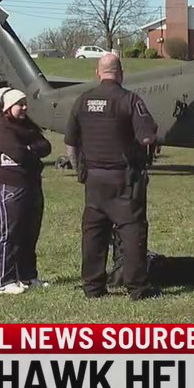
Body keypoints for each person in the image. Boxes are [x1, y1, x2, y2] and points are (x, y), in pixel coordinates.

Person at [65, 54, 161, 301]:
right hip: (124, 179)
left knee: (93, 232)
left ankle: (93, 287)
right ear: (121, 72)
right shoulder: (129, 100)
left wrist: (81, 172)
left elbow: (70, 144)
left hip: (94, 180)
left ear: (98, 72)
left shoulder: (82, 101)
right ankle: (137, 287)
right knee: (131, 231)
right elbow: (147, 138)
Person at [0, 87, 51, 295]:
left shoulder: (27, 126)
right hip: (10, 186)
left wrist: (29, 149)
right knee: (9, 234)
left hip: (31, 184)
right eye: (20, 104)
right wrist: (29, 150)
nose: (24, 107)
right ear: (8, 107)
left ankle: (27, 275)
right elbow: (17, 153)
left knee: (29, 234)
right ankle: (3, 280)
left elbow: (45, 146)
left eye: (25, 103)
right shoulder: (1, 128)